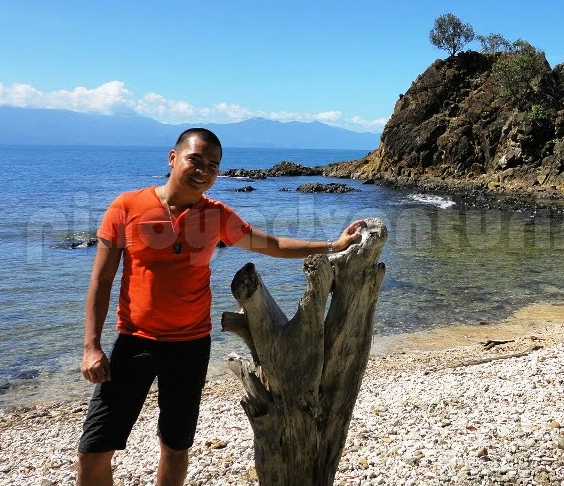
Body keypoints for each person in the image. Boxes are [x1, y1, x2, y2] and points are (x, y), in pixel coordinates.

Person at [77, 128, 363, 486]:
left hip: (190, 345)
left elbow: (271, 244)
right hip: (134, 341)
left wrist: (332, 245)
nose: (203, 170)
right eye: (195, 159)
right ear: (172, 157)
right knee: (94, 450)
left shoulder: (217, 216)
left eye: (213, 165)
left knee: (176, 445)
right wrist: (91, 347)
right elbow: (101, 281)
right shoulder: (126, 206)